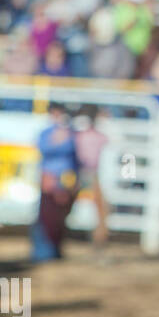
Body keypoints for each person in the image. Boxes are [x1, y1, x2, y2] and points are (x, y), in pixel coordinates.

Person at [31, 101, 80, 261]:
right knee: (45, 216)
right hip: (49, 178)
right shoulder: (46, 133)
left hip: (66, 179)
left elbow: (75, 155)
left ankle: (56, 249)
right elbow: (44, 149)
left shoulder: (71, 133)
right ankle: (42, 252)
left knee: (61, 216)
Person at [74, 104, 111, 254]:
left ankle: (99, 242)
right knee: (101, 210)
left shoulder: (78, 134)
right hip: (89, 173)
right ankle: (99, 242)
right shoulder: (99, 136)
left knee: (101, 209)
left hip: (80, 173)